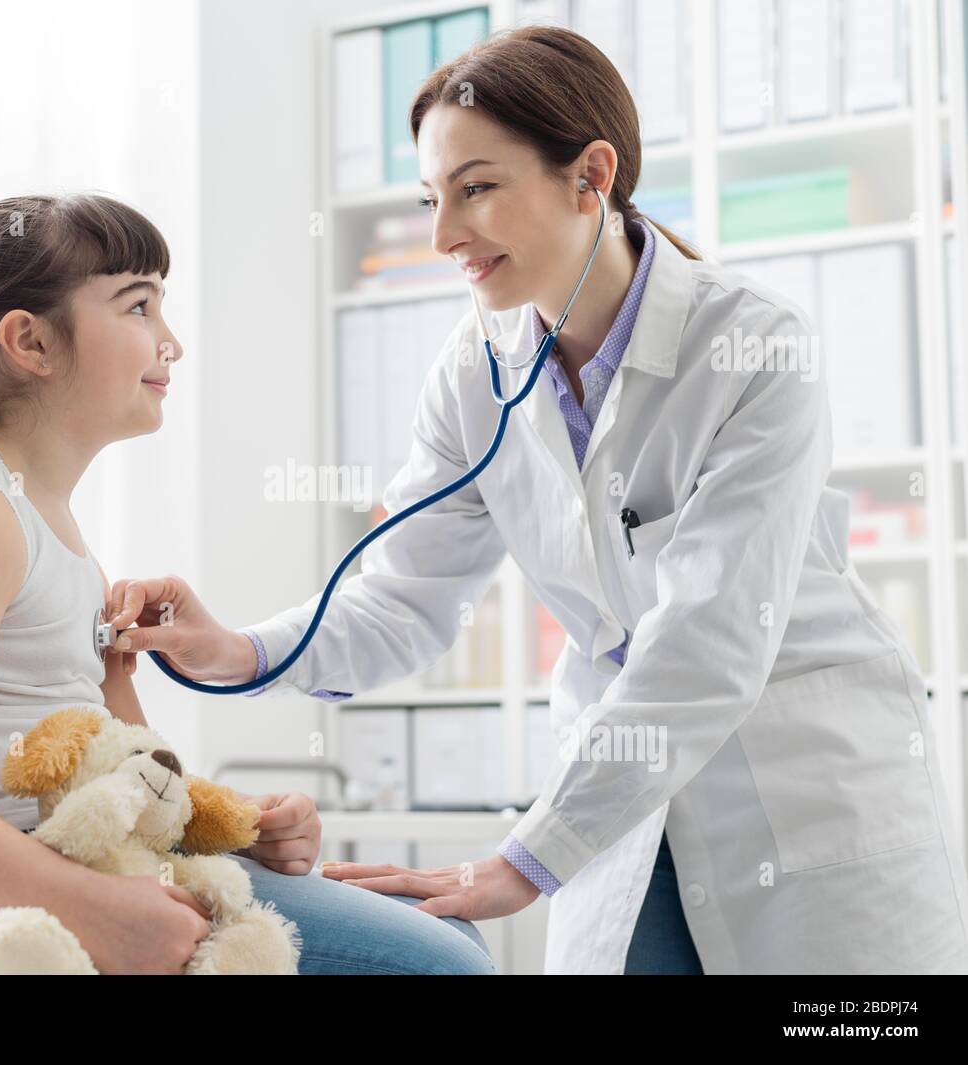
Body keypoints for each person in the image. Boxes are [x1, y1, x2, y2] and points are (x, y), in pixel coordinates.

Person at [103, 27, 968, 975]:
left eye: (476, 188)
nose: (443, 237)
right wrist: (237, 648)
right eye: (432, 199)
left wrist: (523, 860)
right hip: (618, 816)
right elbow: (403, 593)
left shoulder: (753, 345)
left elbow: (711, 640)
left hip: (804, 803)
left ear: (589, 174)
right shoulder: (474, 373)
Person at [0, 193, 494, 975]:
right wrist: (89, 906)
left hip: (74, 868)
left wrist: (232, 823)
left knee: (456, 939)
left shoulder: (46, 526)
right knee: (447, 967)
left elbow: (135, 768)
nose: (172, 344)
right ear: (31, 341)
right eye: (138, 306)